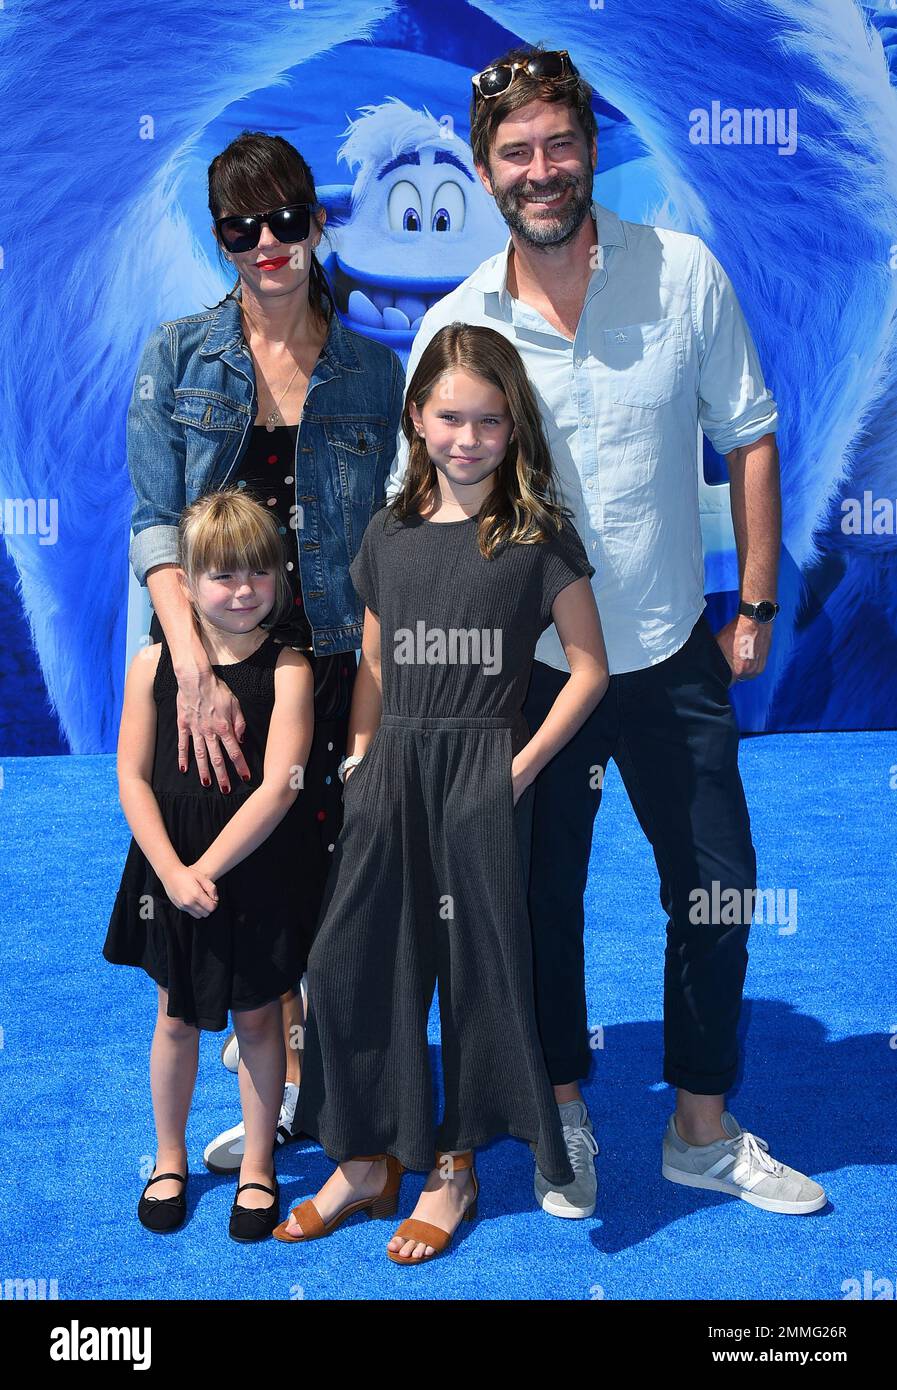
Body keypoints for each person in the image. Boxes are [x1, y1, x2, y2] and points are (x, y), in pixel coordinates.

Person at [385, 45, 827, 1218]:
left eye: (560, 144)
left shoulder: (683, 273)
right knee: (538, 900)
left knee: (719, 888)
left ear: (592, 148)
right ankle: (564, 1109)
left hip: (674, 649)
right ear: (484, 173)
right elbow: (415, 513)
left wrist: (759, 602)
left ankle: (700, 1124)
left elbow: (752, 433)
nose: (542, 169)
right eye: (516, 152)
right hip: (527, 675)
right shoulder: (457, 320)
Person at [273, 322, 608, 1263]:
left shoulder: (536, 536)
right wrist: (360, 754)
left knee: (473, 977)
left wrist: (519, 768)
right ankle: (365, 1157)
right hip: (392, 770)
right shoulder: (389, 531)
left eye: (490, 421)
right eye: (451, 417)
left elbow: (588, 670)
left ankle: (452, 1168)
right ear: (416, 418)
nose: (468, 438)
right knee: (349, 964)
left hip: (482, 773)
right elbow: (375, 657)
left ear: (514, 429)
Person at [125, 131, 404, 1174]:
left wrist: (370, 711)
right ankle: (276, 1088)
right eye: (244, 227)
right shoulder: (177, 355)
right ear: (220, 237)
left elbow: (387, 555)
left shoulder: (377, 371)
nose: (269, 244)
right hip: (214, 678)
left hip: (332, 667)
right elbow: (155, 523)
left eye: (288, 219)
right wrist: (192, 669)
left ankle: (328, 1088)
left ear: (317, 221)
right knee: (236, 893)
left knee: (326, 890)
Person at [104, 489, 314, 1241]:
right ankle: (168, 1158)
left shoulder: (290, 669)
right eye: (222, 576)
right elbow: (131, 777)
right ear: (184, 582)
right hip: (167, 875)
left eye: (258, 573)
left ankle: (258, 1166)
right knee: (175, 1020)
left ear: (280, 579)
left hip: (251, 873)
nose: (242, 590)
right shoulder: (152, 664)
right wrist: (171, 872)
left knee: (261, 1023)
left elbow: (280, 788)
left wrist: (209, 871)